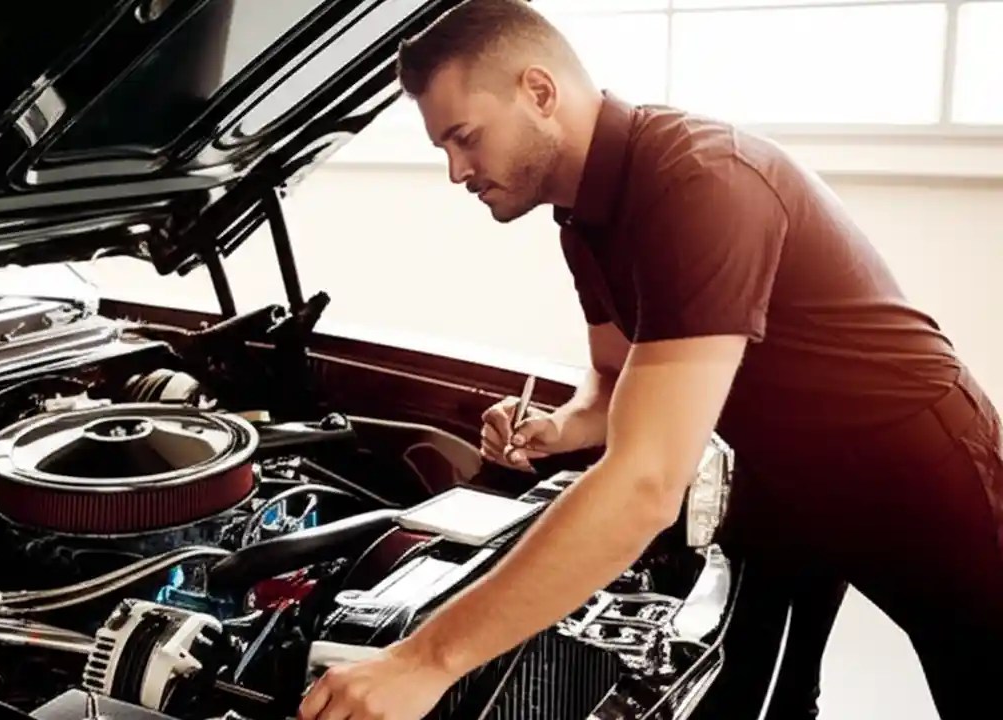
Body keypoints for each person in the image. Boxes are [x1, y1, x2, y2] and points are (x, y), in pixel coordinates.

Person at [296, 1, 1003, 719]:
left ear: (539, 91)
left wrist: (424, 660)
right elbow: (610, 378)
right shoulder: (581, 220)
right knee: (760, 695)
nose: (455, 171)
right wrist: (558, 427)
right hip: (786, 475)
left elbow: (645, 484)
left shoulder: (701, 181)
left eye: (465, 137)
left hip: (916, 470)